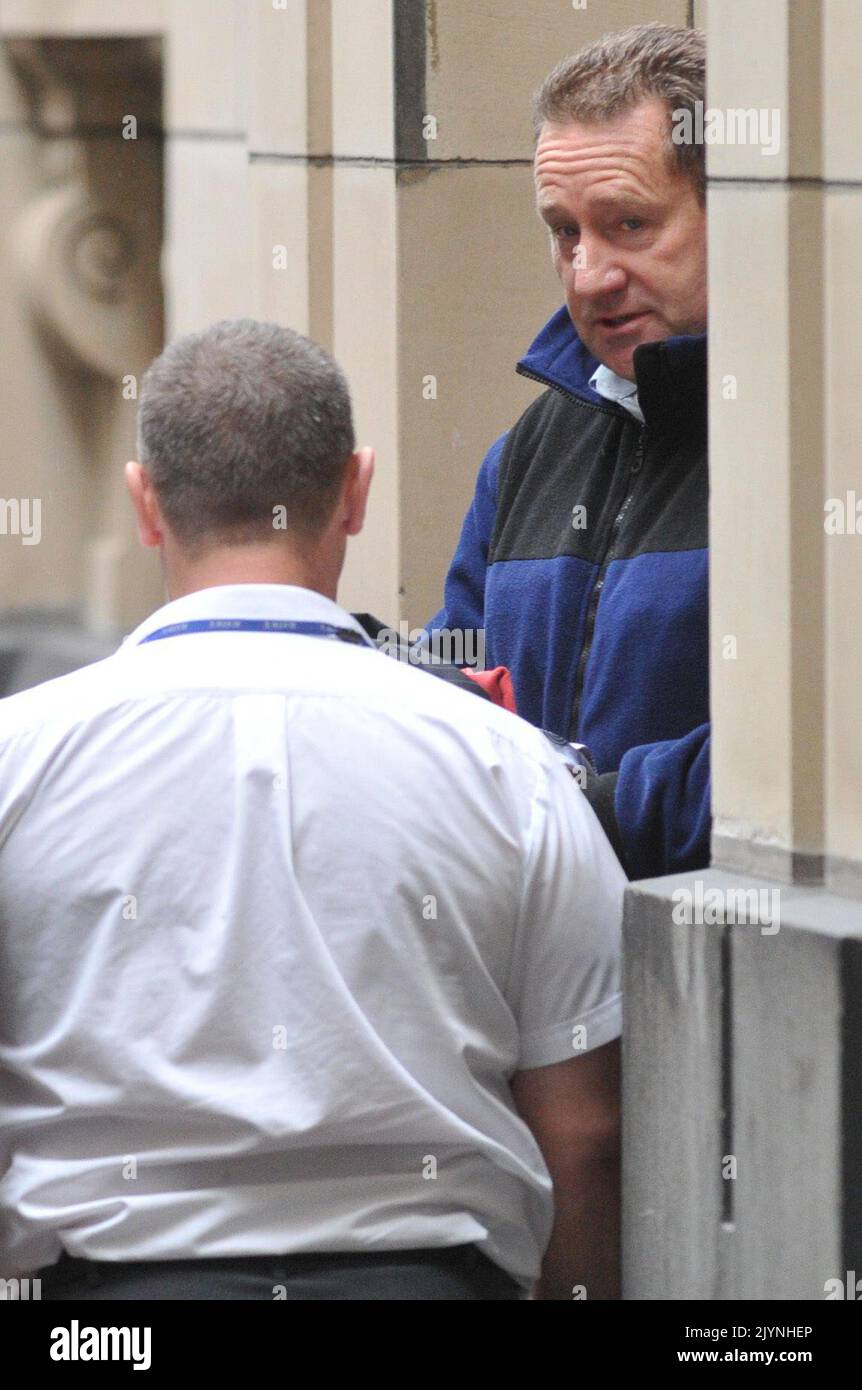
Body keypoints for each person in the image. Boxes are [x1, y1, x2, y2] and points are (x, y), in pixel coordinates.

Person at [0, 319, 625, 1301]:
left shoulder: (19, 759)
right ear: (357, 489)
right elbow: (583, 1135)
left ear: (145, 504)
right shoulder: (508, 764)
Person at [426, 23, 710, 882]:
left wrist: (583, 806)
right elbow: (458, 675)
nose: (588, 274)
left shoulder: (814, 447)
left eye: (629, 223)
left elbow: (818, 763)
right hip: (538, 990)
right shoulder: (529, 451)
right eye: (564, 233)